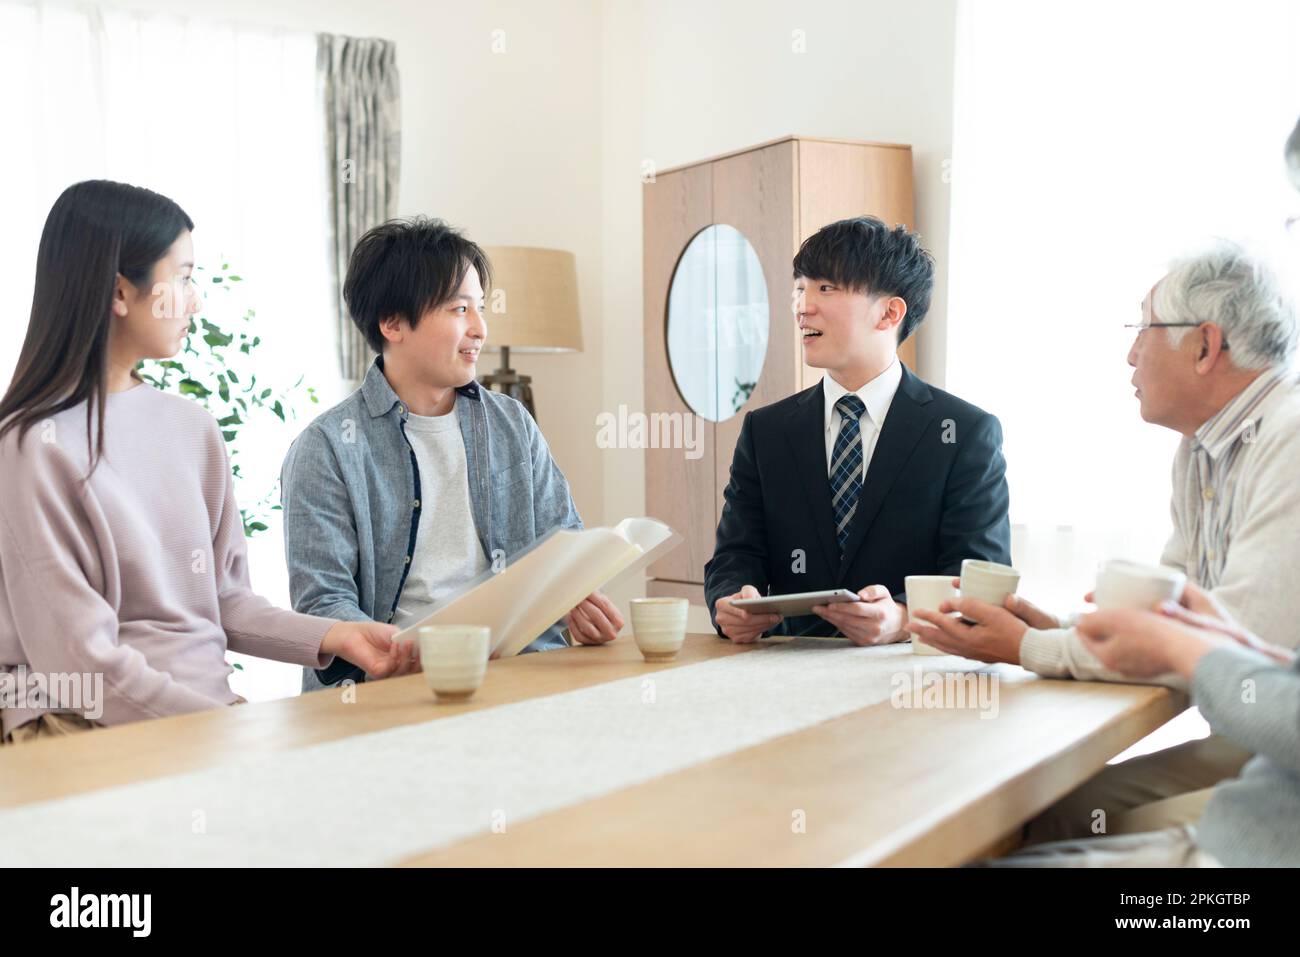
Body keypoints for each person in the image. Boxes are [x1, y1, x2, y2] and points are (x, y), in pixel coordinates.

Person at [907, 239, 1300, 842]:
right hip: (1250, 745)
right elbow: (1172, 613)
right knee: (1033, 813)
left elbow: (1241, 645)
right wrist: (1056, 631)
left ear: (1204, 345)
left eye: (1144, 329)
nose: (1131, 354)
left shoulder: (1290, 437)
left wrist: (1031, 648)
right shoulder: (1200, 449)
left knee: (1032, 824)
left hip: (1280, 763)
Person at [0, 180, 417, 742]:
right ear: (120, 291)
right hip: (80, 725)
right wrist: (222, 728)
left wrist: (337, 635)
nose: (195, 301)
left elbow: (224, 598)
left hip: (200, 713)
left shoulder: (189, 427)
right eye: (185, 278)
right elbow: (80, 663)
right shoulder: (32, 446)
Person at [280, 217, 623, 690]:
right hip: (389, 687)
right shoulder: (326, 448)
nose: (480, 329)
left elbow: (562, 543)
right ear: (392, 322)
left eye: (480, 308)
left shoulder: (512, 424)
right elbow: (324, 602)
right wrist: (392, 650)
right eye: (460, 309)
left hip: (517, 670)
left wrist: (579, 598)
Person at [705, 216, 1011, 646]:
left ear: (889, 312)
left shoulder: (964, 432)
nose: (802, 306)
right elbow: (736, 554)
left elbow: (980, 575)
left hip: (910, 681)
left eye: (826, 288)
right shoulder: (767, 430)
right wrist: (732, 602)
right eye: (800, 287)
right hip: (785, 674)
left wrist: (902, 618)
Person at [976, 583, 1299, 867]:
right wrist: (1234, 643)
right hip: (1252, 823)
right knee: (1056, 813)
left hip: (1249, 849)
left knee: (1049, 820)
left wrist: (1181, 646)